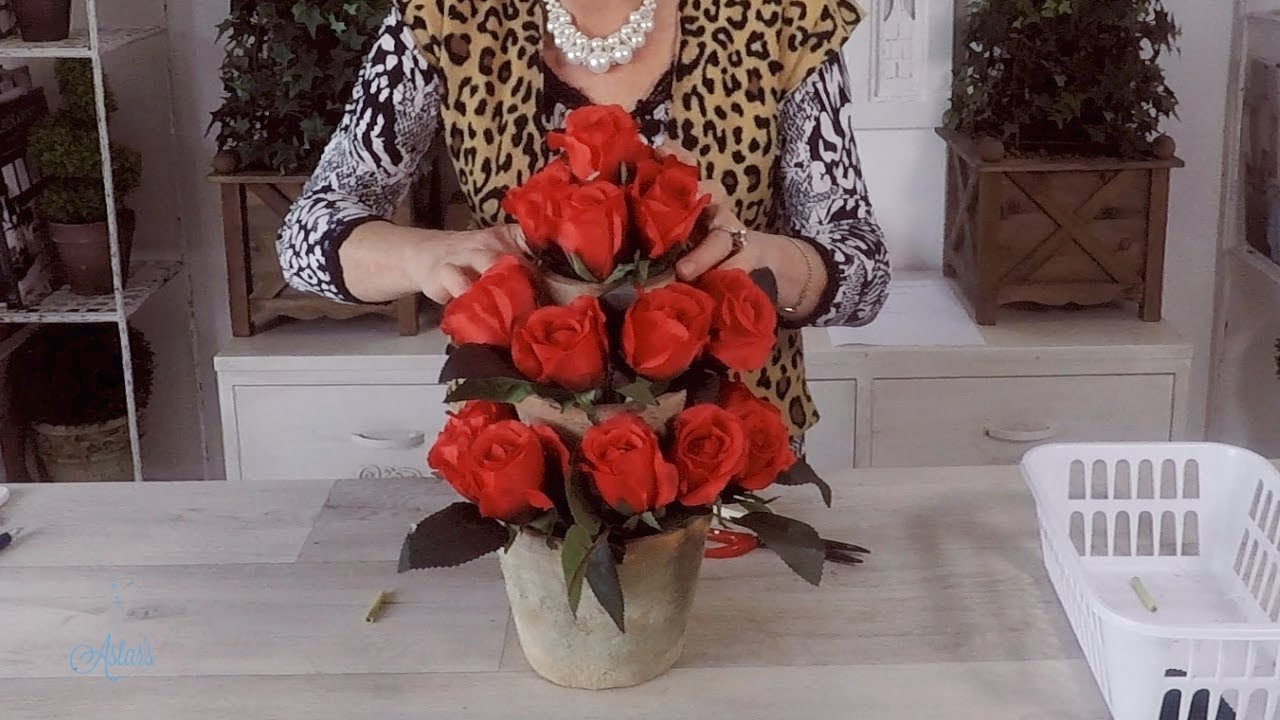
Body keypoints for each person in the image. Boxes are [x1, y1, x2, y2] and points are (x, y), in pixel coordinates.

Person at [277, 0, 890, 443]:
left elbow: (864, 267)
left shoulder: (784, 16)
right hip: (531, 459)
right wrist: (426, 256)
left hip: (732, 454)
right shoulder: (444, 17)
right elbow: (306, 235)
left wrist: (764, 262)